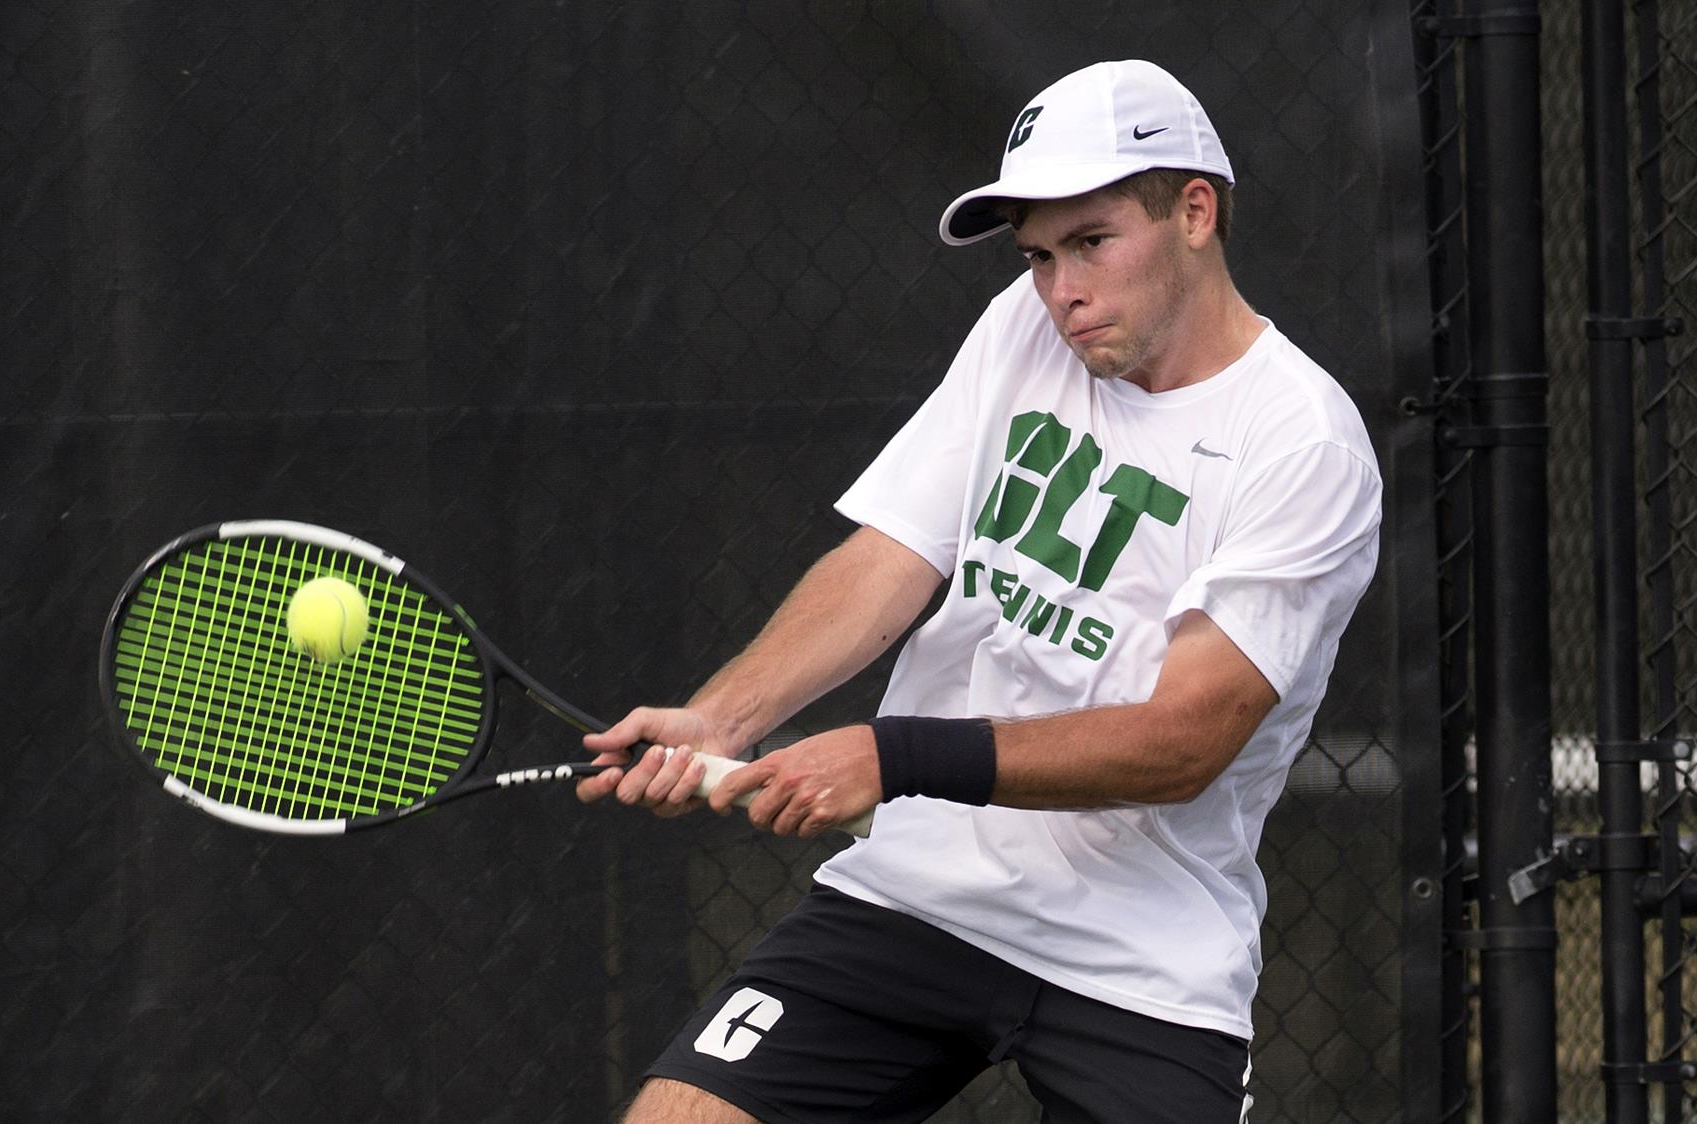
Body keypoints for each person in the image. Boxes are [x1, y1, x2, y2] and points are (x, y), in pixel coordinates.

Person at [577, 58, 1382, 1123]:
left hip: (1144, 955)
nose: (1061, 290)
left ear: (1195, 211)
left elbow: (1183, 740)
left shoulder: (1301, 443)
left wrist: (890, 753)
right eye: (1039, 256)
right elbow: (891, 553)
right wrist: (723, 716)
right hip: (916, 899)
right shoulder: (1026, 327)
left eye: (1091, 242)